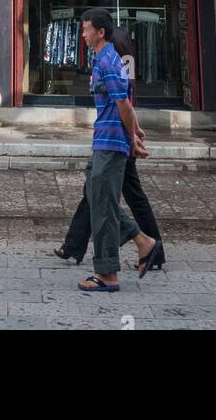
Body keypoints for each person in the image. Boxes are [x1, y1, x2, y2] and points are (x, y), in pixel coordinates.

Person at [56, 26, 165, 270]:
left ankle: (146, 247)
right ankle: (74, 246)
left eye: (87, 30)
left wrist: (132, 136)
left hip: (116, 142)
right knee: (94, 193)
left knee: (106, 197)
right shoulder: (113, 59)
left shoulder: (114, 61)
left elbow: (124, 104)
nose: (83, 35)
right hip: (111, 139)